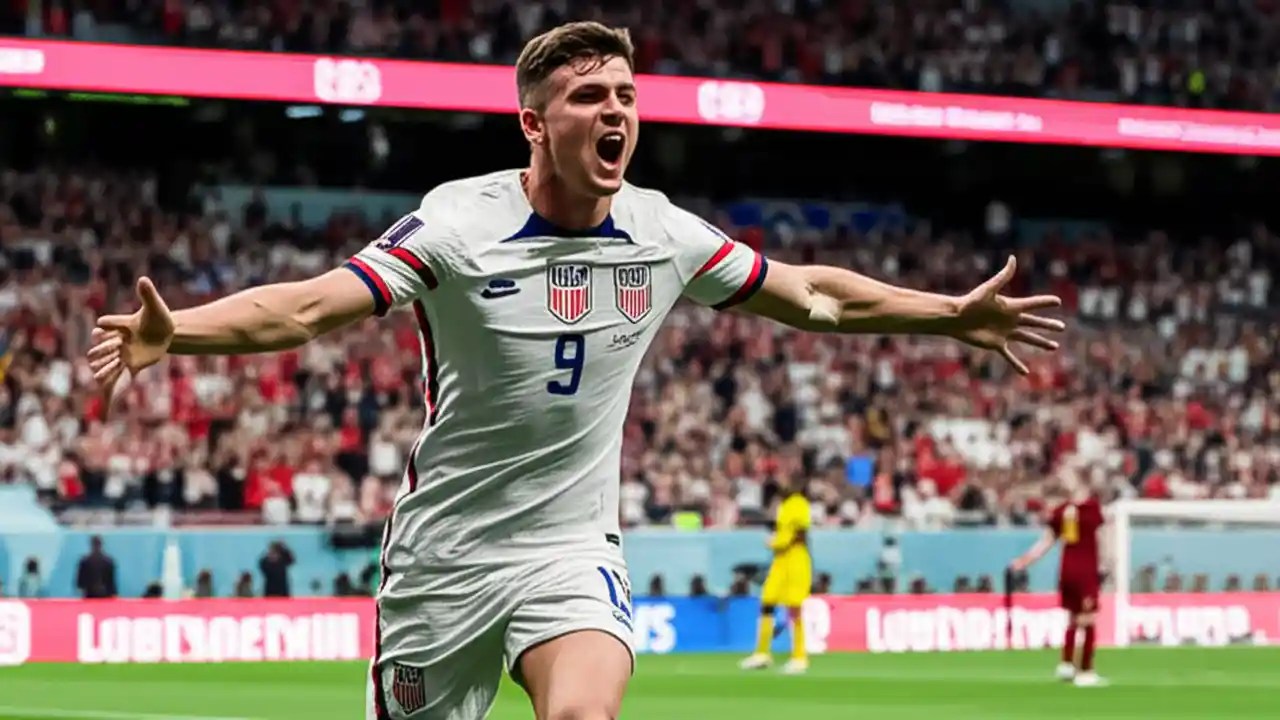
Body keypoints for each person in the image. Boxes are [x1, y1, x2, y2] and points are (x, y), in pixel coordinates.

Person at [86, 21, 1065, 720]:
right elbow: (306, 306)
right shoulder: (457, 225)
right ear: (531, 122)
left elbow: (810, 295)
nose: (615, 113)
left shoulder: (662, 231)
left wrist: (950, 316)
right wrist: (182, 336)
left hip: (570, 550)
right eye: (589, 96)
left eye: (625, 97)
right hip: (444, 560)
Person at [1011, 473, 1109, 687]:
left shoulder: (1061, 511)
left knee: (1074, 618)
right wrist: (1105, 564)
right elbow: (1101, 539)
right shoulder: (1091, 509)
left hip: (1067, 570)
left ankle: (1066, 665)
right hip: (1085, 570)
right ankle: (1086, 671)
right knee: (1088, 619)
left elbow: (1046, 541)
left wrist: (1025, 560)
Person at [741, 476, 813, 673]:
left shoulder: (798, 503)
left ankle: (799, 657)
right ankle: (762, 653)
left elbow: (800, 534)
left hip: (795, 559)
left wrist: (778, 541)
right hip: (780, 560)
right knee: (767, 600)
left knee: (794, 607)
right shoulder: (785, 504)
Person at [76, 535, 117, 599]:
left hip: (89, 596)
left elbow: (80, 584)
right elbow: (112, 585)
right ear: (101, 545)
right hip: (106, 597)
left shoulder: (84, 561)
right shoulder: (109, 562)